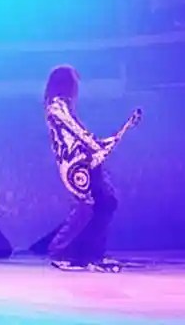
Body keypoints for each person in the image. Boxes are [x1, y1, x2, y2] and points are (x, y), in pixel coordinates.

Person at [43, 65, 122, 273]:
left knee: (106, 201)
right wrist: (98, 145)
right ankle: (61, 250)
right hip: (75, 164)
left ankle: (91, 252)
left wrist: (98, 146)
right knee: (85, 206)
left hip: (87, 160)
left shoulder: (66, 106)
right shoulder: (56, 106)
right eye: (74, 83)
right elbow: (76, 131)